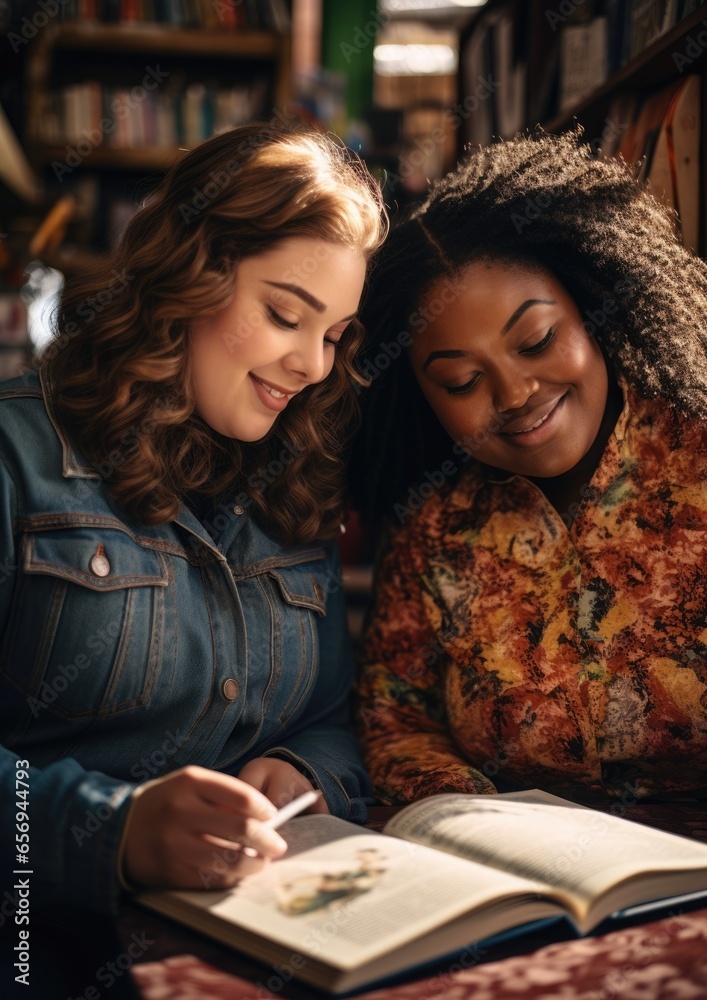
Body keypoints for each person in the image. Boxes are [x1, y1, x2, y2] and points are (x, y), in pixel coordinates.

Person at [0, 121, 387, 915]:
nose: (312, 366)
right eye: (285, 315)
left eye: (334, 336)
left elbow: (330, 721)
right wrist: (112, 829)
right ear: (189, 277)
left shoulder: (295, 479)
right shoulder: (17, 459)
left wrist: (306, 773)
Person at [351, 128, 707, 807]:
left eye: (536, 341)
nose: (514, 395)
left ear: (593, 310)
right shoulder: (433, 526)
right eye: (459, 381)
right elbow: (392, 719)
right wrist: (473, 816)